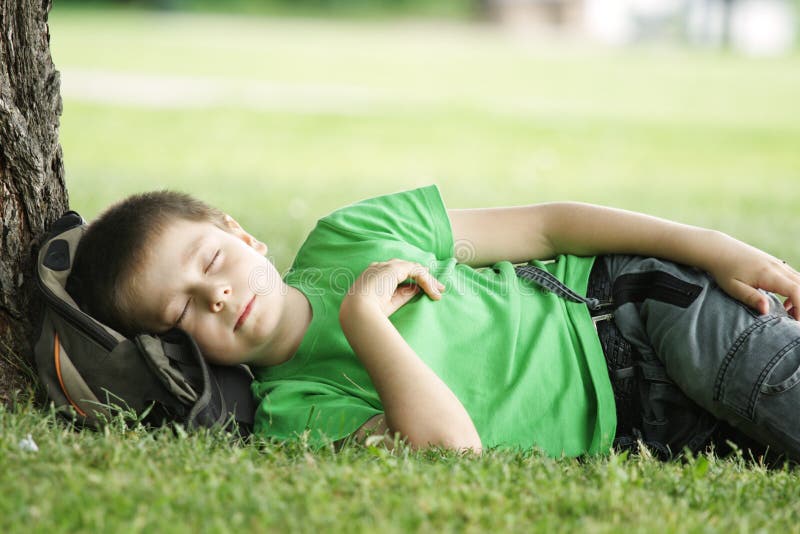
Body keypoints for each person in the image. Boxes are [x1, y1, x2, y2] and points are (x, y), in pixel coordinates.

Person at [66, 185, 800, 460]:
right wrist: (363, 319)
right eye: (185, 309)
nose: (216, 297)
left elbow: (548, 226)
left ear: (242, 234)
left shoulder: (348, 236)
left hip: (637, 313)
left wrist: (718, 247)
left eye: (210, 261)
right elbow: (454, 451)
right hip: (652, 435)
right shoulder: (290, 411)